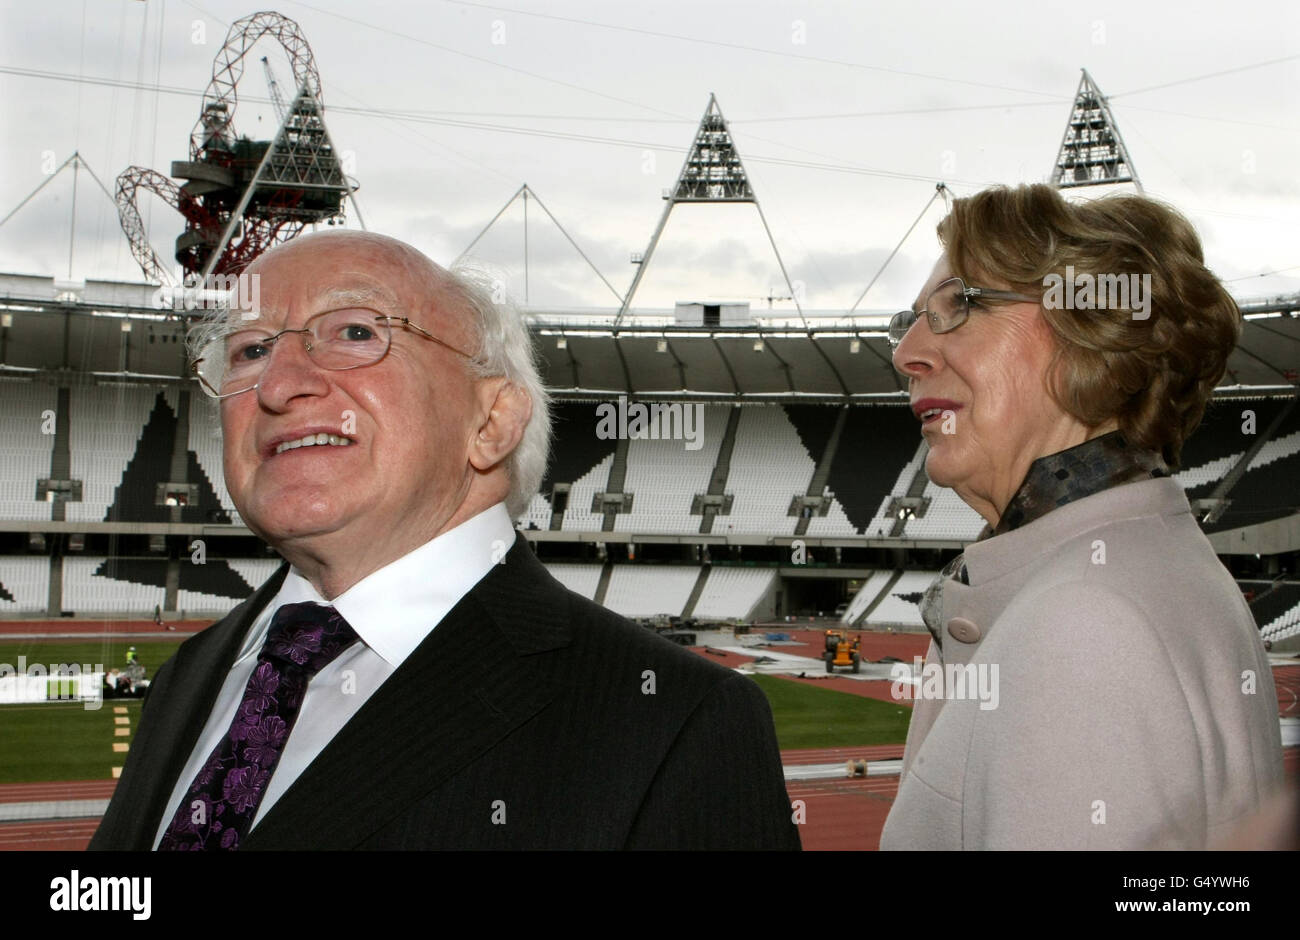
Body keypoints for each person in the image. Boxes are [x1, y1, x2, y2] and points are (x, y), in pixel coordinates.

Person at [89, 230, 798, 851]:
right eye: (249, 349)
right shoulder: (193, 672)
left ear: (491, 421)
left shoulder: (677, 722)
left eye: (357, 332)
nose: (278, 383)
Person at [878, 183, 1283, 850]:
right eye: (911, 318)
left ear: (1087, 333)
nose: (907, 354)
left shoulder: (1085, 627)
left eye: (958, 305)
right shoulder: (1145, 567)